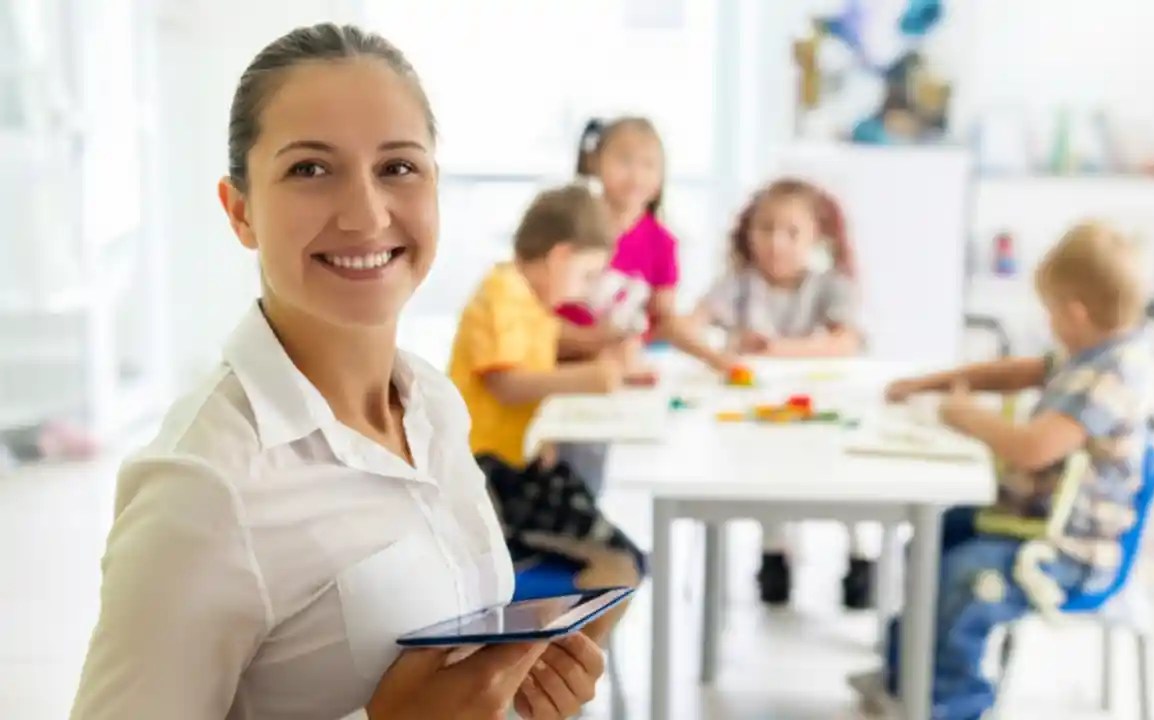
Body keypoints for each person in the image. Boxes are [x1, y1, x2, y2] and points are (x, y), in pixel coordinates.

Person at [72, 24, 603, 720]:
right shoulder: (206, 486)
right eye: (311, 170)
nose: (366, 213)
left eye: (398, 167)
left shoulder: (433, 405)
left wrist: (515, 692)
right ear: (240, 213)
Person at [852, 221, 1151, 720]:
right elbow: (1013, 372)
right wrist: (931, 383)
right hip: (1031, 517)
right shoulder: (1088, 352)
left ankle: (949, 704)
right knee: (930, 540)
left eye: (1051, 310)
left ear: (1074, 314)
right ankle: (906, 674)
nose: (1049, 322)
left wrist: (968, 416)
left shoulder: (1111, 375)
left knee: (962, 576)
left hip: (1068, 552)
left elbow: (1033, 449)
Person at [448, 184, 643, 643]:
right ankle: (556, 684)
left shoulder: (527, 299)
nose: (586, 289)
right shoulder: (503, 293)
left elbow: (556, 341)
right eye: (587, 273)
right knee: (621, 565)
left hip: (517, 467)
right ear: (560, 256)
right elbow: (507, 383)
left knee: (625, 561)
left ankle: (558, 675)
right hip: (490, 478)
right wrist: (589, 377)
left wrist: (607, 344)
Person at [690, 178, 874, 609]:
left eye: (792, 233)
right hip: (762, 411)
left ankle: (861, 558)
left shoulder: (831, 285)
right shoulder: (738, 283)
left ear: (816, 238)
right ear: (747, 232)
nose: (776, 243)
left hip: (825, 410)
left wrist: (776, 349)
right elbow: (693, 323)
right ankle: (776, 555)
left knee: (843, 484)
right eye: (765, 229)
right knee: (770, 478)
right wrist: (718, 348)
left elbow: (844, 342)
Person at [560, 116, 736, 374]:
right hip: (561, 357)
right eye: (624, 161)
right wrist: (592, 340)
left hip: (621, 363)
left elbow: (665, 320)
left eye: (648, 165)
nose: (636, 175)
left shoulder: (662, 243)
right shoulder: (571, 226)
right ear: (595, 163)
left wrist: (717, 360)